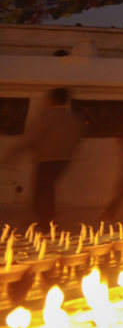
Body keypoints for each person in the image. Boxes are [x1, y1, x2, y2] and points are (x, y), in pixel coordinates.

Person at [4, 88, 83, 229]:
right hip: (64, 159)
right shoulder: (73, 118)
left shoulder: (46, 116)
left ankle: (45, 223)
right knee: (48, 188)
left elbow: (30, 138)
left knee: (40, 192)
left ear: (52, 100)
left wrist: (12, 154)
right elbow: (77, 137)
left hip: (47, 159)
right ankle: (49, 220)